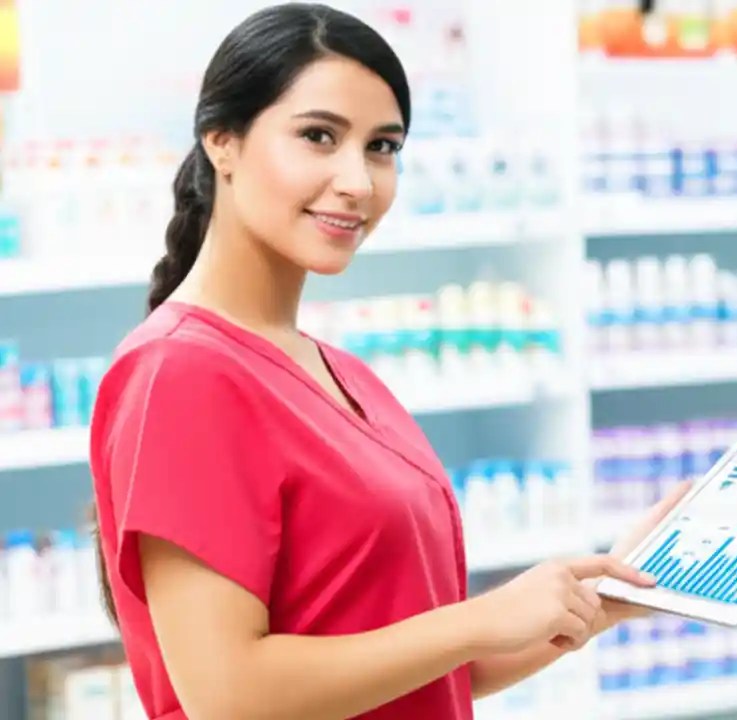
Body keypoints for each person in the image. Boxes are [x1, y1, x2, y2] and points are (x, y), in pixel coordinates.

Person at [88, 4, 684, 719]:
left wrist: (606, 597)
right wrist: (478, 618)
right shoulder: (181, 373)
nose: (359, 182)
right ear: (222, 141)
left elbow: (421, 671)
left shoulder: (339, 373)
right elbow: (230, 695)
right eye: (319, 136)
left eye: (381, 147)